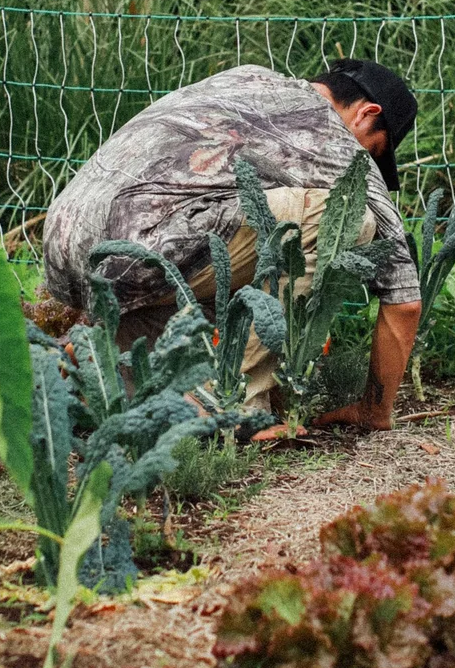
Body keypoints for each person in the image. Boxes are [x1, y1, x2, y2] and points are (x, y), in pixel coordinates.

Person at [41, 59, 422, 429]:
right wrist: (375, 409)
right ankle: (231, 405)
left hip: (67, 245)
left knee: (233, 264)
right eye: (374, 150)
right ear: (367, 114)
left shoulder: (246, 79)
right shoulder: (332, 134)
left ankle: (90, 380)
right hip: (149, 245)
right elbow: (404, 299)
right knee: (349, 217)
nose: (367, 160)